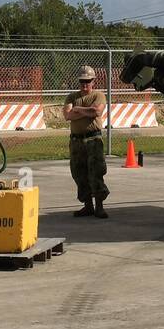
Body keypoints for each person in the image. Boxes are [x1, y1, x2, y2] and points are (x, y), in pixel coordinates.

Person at [63, 65, 109, 219]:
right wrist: (86, 111)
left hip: (93, 140)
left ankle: (99, 207)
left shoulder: (99, 95)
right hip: (76, 141)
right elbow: (68, 115)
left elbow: (97, 111)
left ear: (93, 81)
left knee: (95, 172)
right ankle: (88, 206)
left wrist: (78, 109)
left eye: (88, 81)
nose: (85, 84)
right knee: (79, 173)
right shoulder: (71, 97)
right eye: (82, 81)